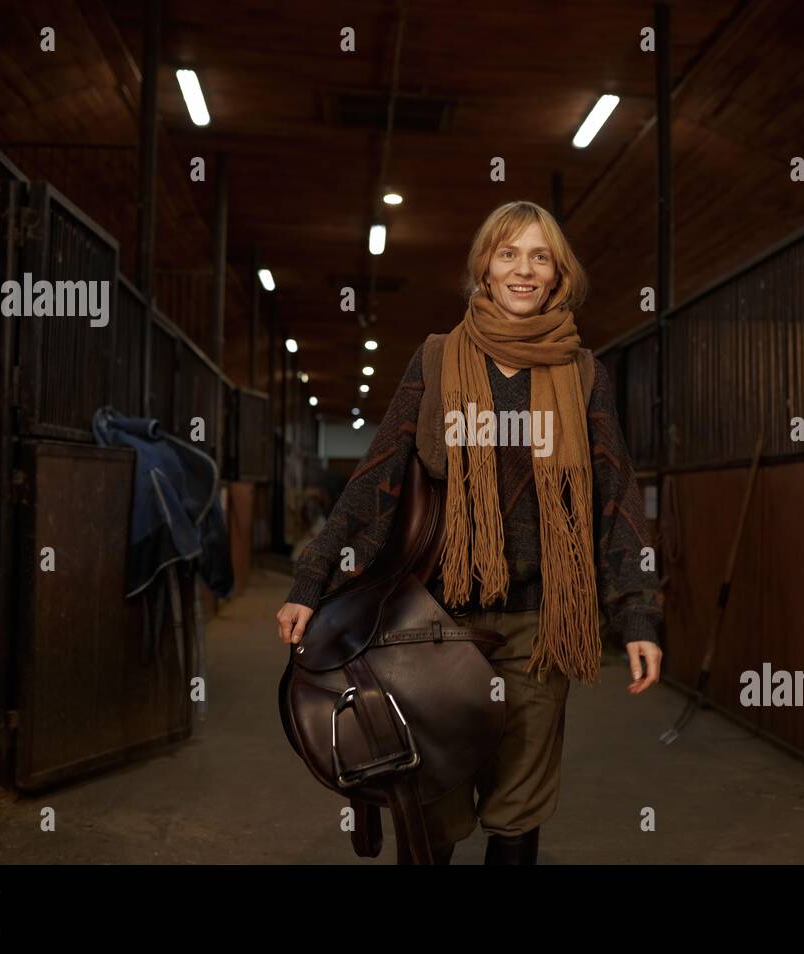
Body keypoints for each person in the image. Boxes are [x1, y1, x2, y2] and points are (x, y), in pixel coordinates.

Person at [276, 199, 663, 864]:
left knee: (518, 807)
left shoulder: (583, 374)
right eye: (508, 253)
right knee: (434, 799)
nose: (523, 269)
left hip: (542, 621)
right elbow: (376, 481)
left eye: (539, 256)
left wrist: (638, 618)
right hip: (434, 621)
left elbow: (615, 500)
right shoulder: (435, 361)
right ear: (483, 268)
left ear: (558, 274)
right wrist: (311, 581)